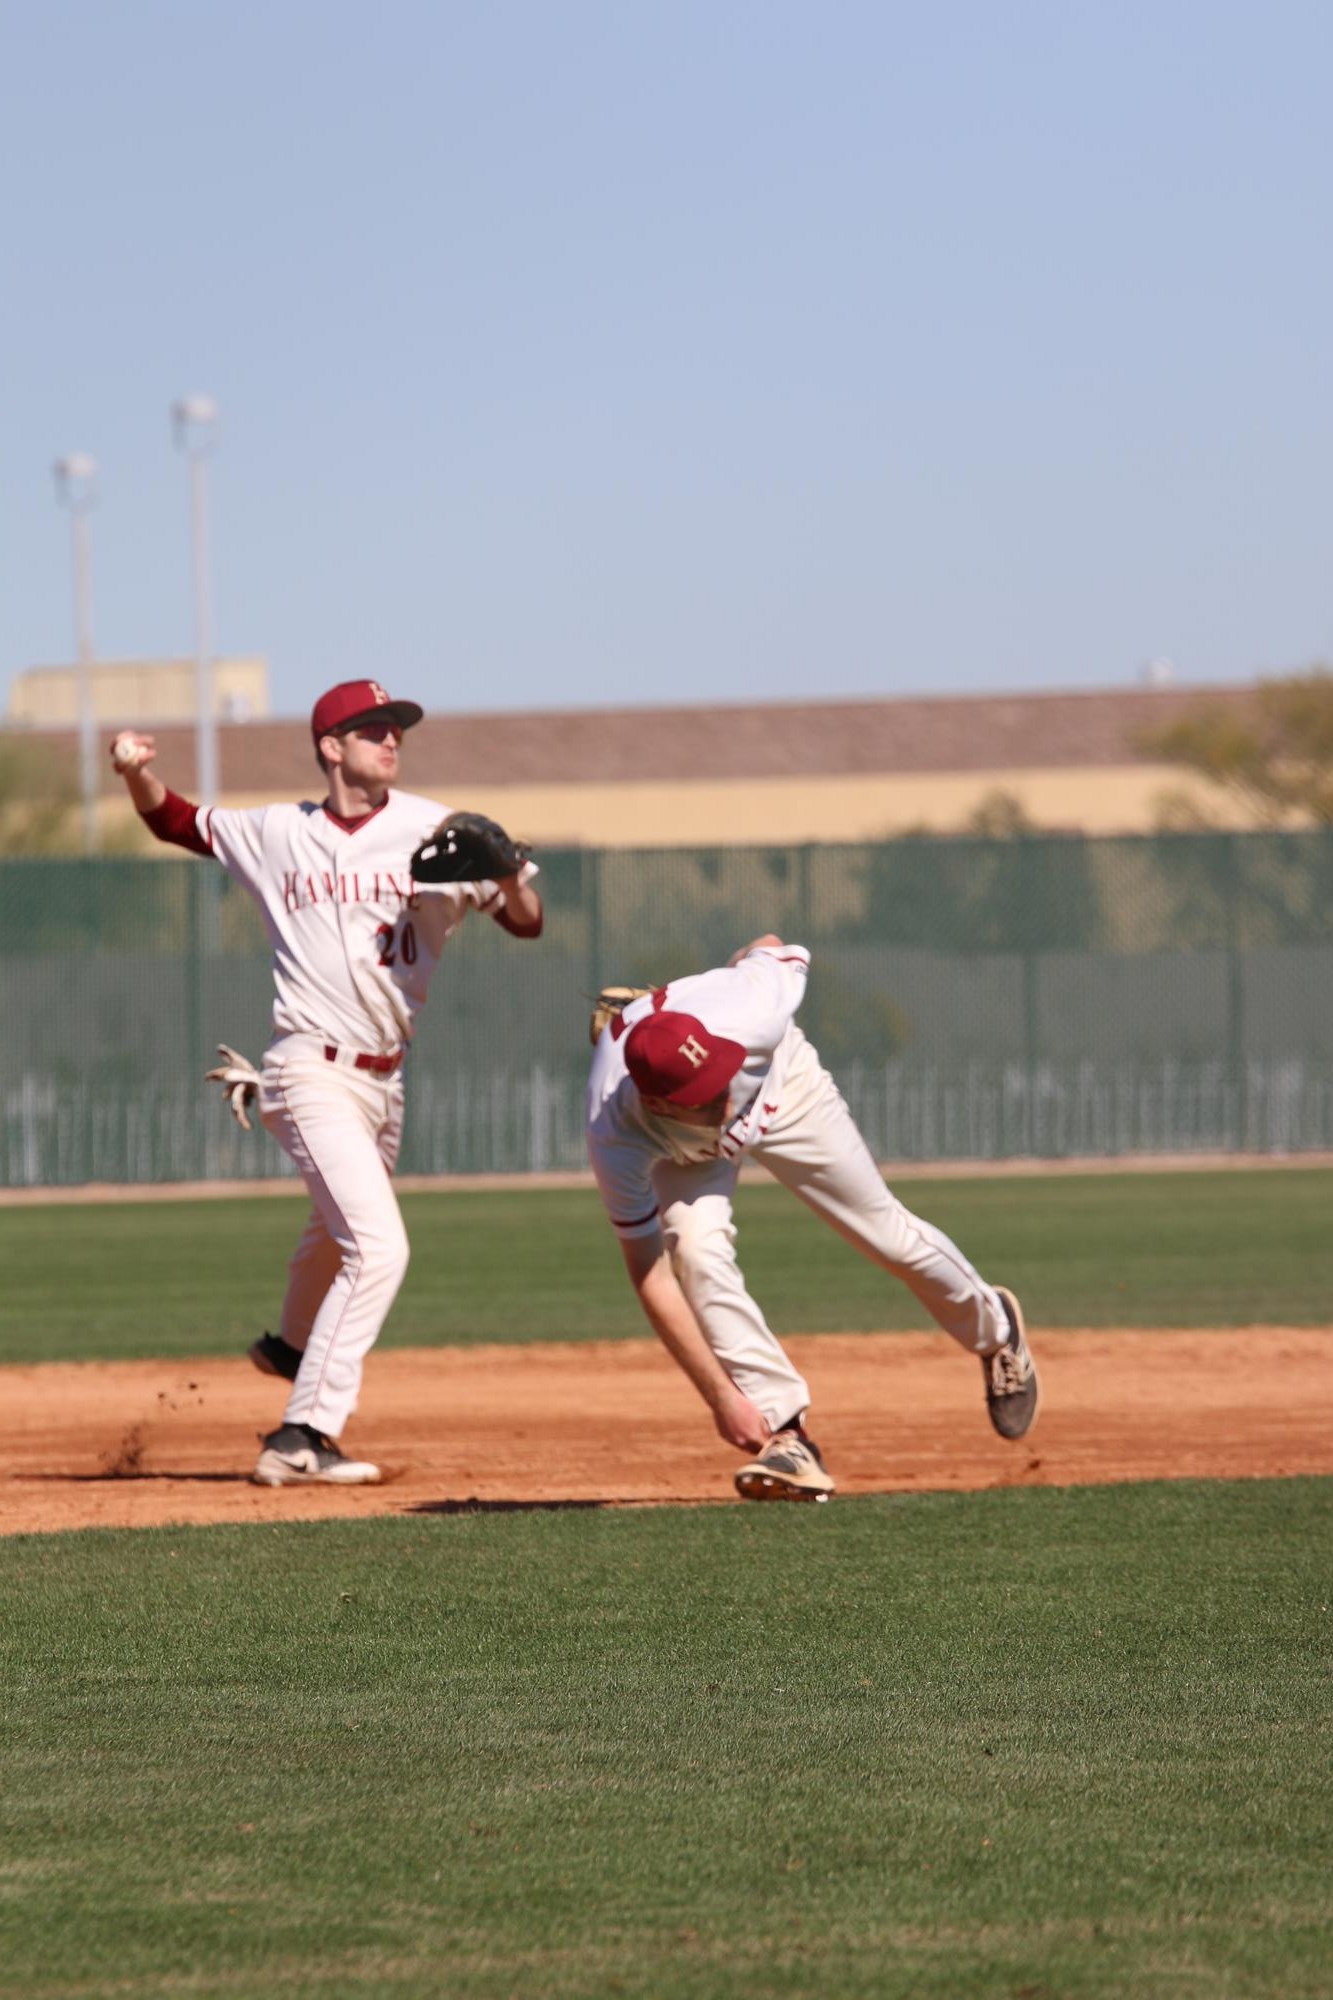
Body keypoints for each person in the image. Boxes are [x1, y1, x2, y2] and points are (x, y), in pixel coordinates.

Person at [110, 679, 543, 1487]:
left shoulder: (436, 826)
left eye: (397, 728)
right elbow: (175, 821)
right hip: (308, 1065)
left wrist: (513, 873)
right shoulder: (279, 832)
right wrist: (135, 769)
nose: (391, 739)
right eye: (373, 728)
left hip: (386, 1080)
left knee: (333, 1226)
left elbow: (526, 919)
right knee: (377, 1246)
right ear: (330, 747)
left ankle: (289, 1345)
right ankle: (302, 1433)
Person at [585, 936, 1036, 1500]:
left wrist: (728, 976)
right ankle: (787, 1435)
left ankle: (997, 1329)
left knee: (886, 1236)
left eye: (719, 1075)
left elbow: (770, 946)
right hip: (684, 1152)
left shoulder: (751, 1011)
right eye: (703, 1094)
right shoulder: (615, 1134)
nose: (722, 1093)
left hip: (785, 1090)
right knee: (696, 1251)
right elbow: (648, 1271)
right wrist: (721, 1397)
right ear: (656, 1103)